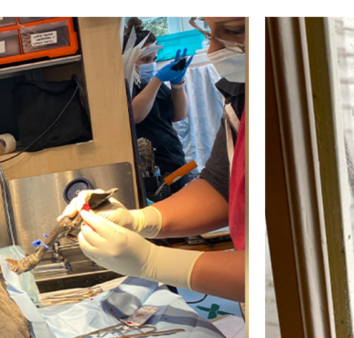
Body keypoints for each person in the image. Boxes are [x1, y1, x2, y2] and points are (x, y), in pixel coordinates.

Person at [77, 17, 247, 304]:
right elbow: (222, 186)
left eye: (234, 30)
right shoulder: (241, 95)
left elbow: (282, 266)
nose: (213, 48)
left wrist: (153, 261)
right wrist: (139, 219)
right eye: (209, 31)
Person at [123, 18, 194, 198]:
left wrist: (178, 83)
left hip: (175, 163)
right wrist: (158, 79)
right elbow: (135, 116)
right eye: (145, 59)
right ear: (128, 58)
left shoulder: (153, 84)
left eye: (154, 59)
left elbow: (179, 115)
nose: (152, 64)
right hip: (153, 172)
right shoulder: (125, 87)